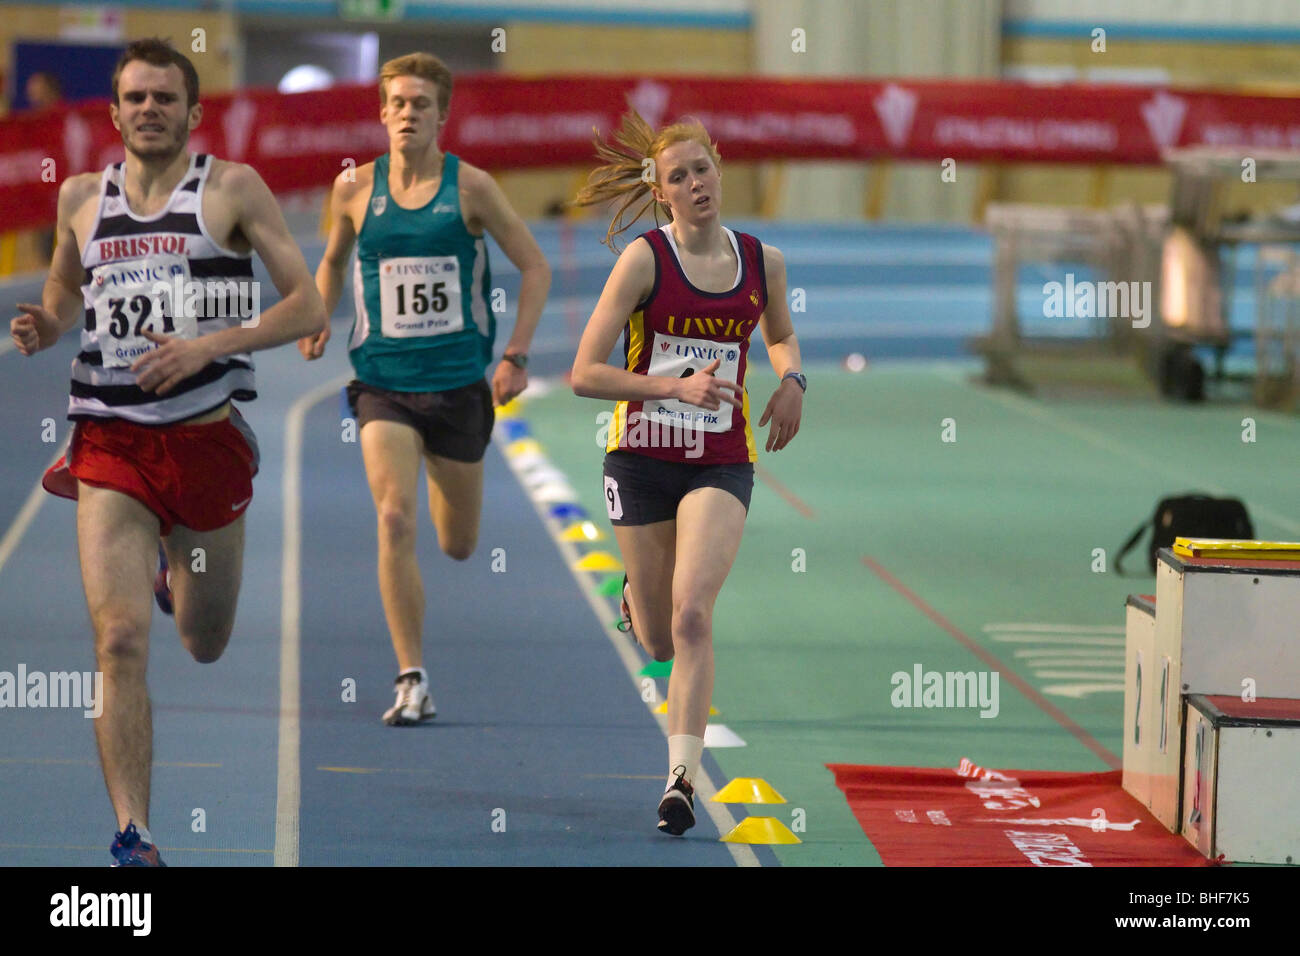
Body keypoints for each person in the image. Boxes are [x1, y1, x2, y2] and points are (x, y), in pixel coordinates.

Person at [9, 38, 326, 865]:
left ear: (192, 112)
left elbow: (307, 303)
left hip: (204, 442)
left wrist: (207, 346)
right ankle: (135, 835)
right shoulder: (80, 196)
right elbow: (64, 286)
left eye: (165, 98)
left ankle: (173, 570)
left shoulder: (230, 190)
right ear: (113, 114)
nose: (150, 109)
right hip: (109, 443)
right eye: (136, 98)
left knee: (204, 639)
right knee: (116, 641)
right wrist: (48, 321)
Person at [570, 110, 805, 835]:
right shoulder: (644, 261)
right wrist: (674, 387)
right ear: (662, 192)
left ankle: (680, 780)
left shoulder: (762, 261)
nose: (695, 183)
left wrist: (793, 380)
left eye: (702, 168)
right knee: (658, 639)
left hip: (722, 461)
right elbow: (583, 373)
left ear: (719, 171)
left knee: (693, 613)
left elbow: (782, 333)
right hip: (639, 460)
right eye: (679, 176)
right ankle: (639, 606)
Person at [299, 52, 549, 726]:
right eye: (397, 102)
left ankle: (452, 497)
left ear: (442, 115)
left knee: (458, 543)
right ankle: (412, 677)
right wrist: (319, 313)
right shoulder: (353, 190)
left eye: (420, 104)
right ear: (381, 112)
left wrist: (516, 354)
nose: (408, 113)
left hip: (461, 386)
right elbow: (330, 260)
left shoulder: (472, 188)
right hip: (383, 382)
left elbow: (535, 266)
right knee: (392, 516)